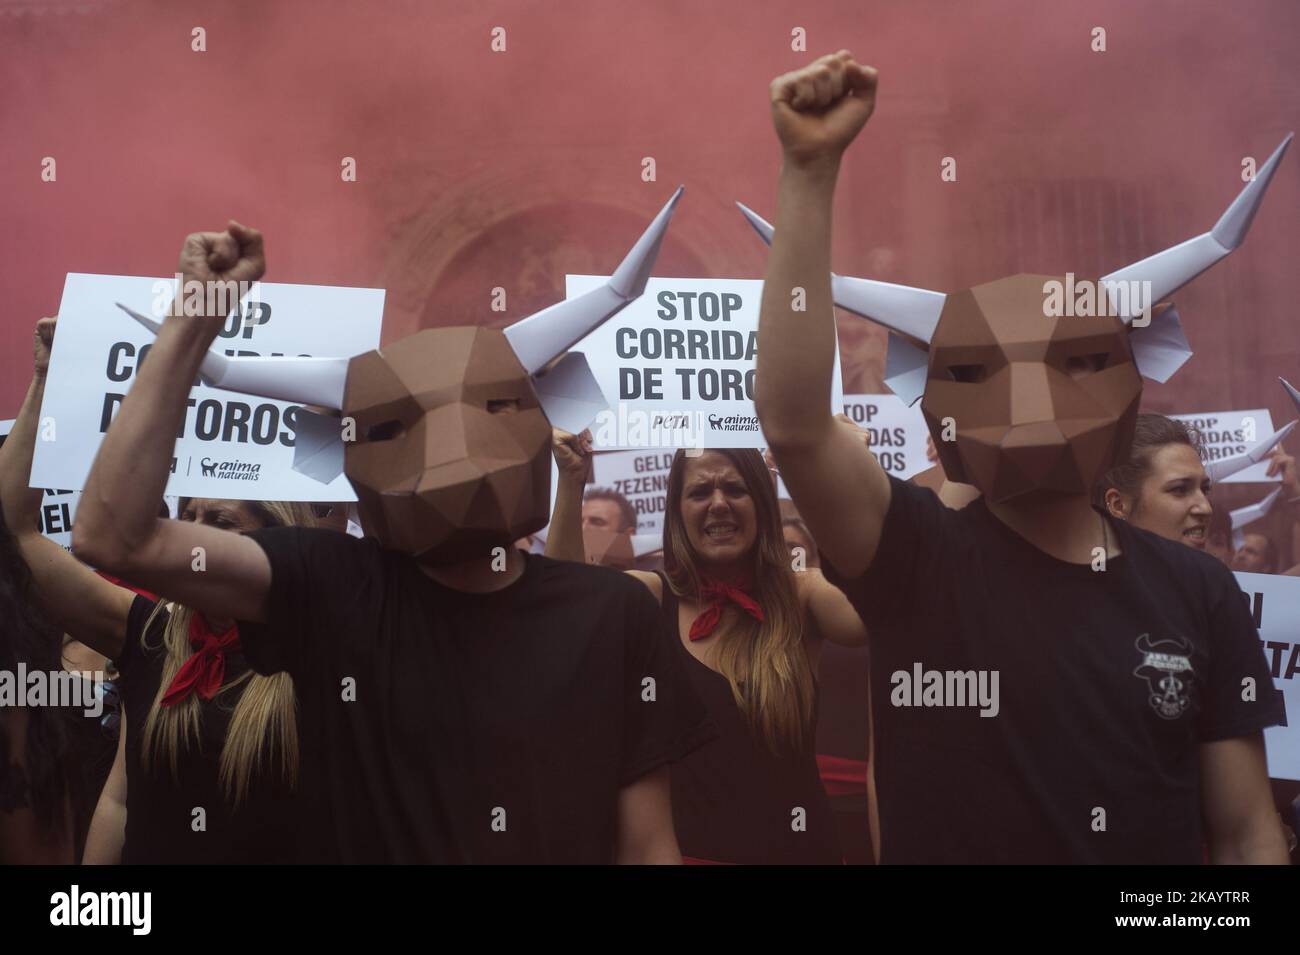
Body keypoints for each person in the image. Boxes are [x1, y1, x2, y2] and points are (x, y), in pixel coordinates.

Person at [754, 51, 1288, 863]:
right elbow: (794, 423)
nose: (1035, 401)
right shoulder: (912, 554)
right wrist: (808, 169)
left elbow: (1247, 831)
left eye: (1077, 363)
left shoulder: (1198, 588)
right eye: (978, 371)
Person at [73, 218, 712, 864]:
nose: (450, 452)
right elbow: (112, 535)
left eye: (491, 407)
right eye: (394, 429)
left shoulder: (615, 613)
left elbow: (649, 843)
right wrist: (193, 316)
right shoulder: (331, 587)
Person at [0, 320, 318, 865]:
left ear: (282, 537)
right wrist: (47, 379)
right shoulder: (151, 633)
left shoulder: (329, 648)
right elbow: (13, 529)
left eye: (221, 522)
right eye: (188, 517)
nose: (195, 536)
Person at [549, 431, 867, 863]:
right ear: (677, 513)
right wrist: (570, 480)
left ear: (762, 502)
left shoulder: (802, 594)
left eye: (736, 488)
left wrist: (847, 473)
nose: (719, 502)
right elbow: (564, 610)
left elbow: (878, 611)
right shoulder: (649, 598)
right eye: (700, 491)